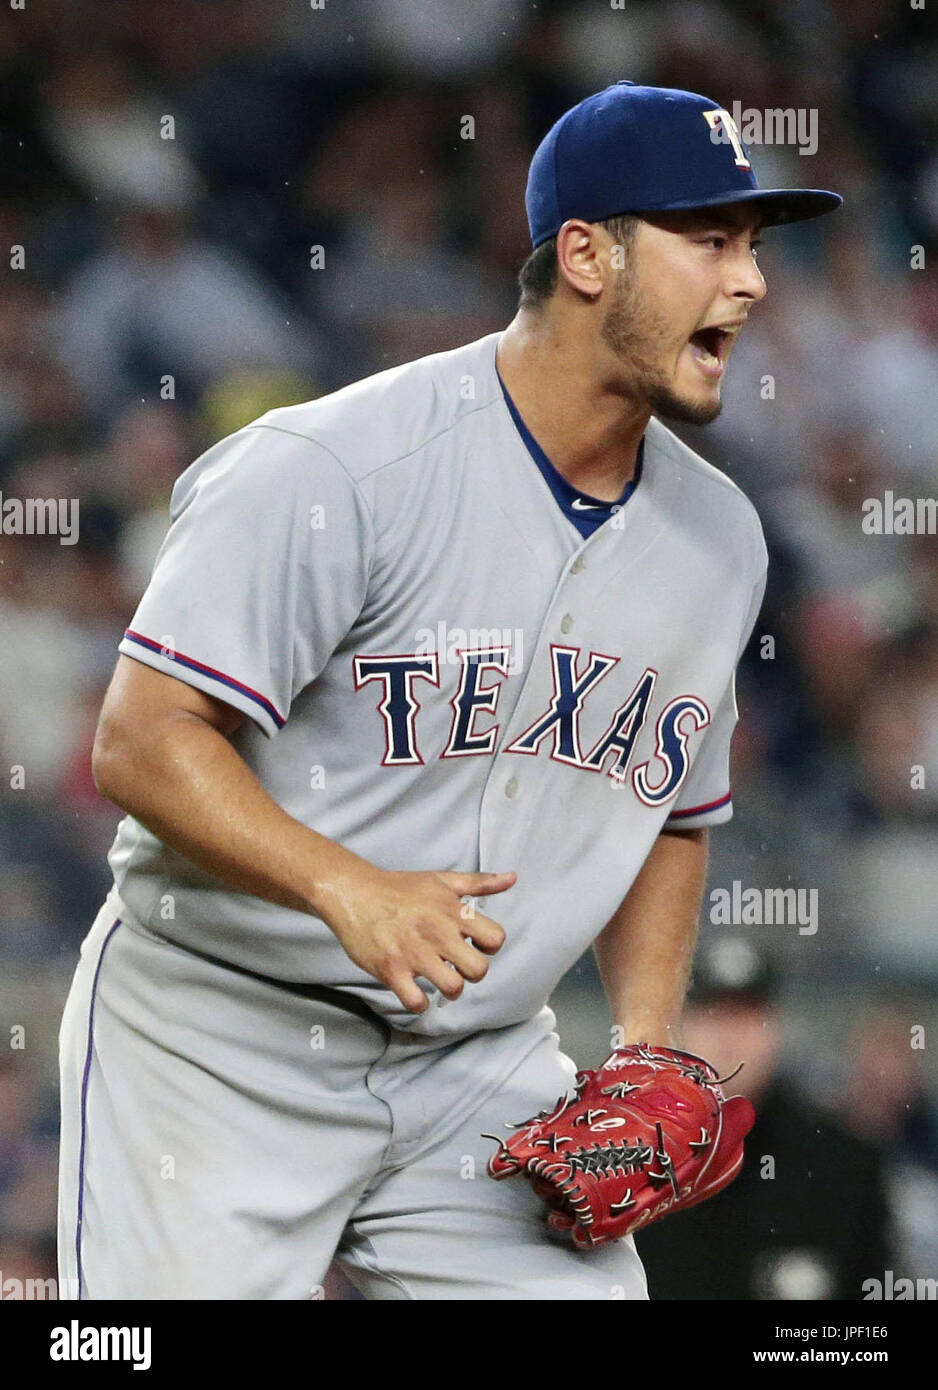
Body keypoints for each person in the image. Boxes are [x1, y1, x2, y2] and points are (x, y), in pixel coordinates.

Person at [58, 81, 841, 1300]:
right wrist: (345, 885)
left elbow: (671, 818)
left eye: (749, 246)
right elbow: (142, 740)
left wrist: (641, 1039)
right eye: (708, 240)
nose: (747, 281)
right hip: (218, 1032)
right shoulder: (334, 469)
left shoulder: (721, 538)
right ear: (585, 254)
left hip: (479, 1063)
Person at [637, 938, 892, 1300]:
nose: (729, 1040)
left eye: (746, 1017)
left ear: (775, 1028)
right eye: (713, 1016)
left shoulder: (843, 1169)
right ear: (679, 1029)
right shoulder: (630, 1169)